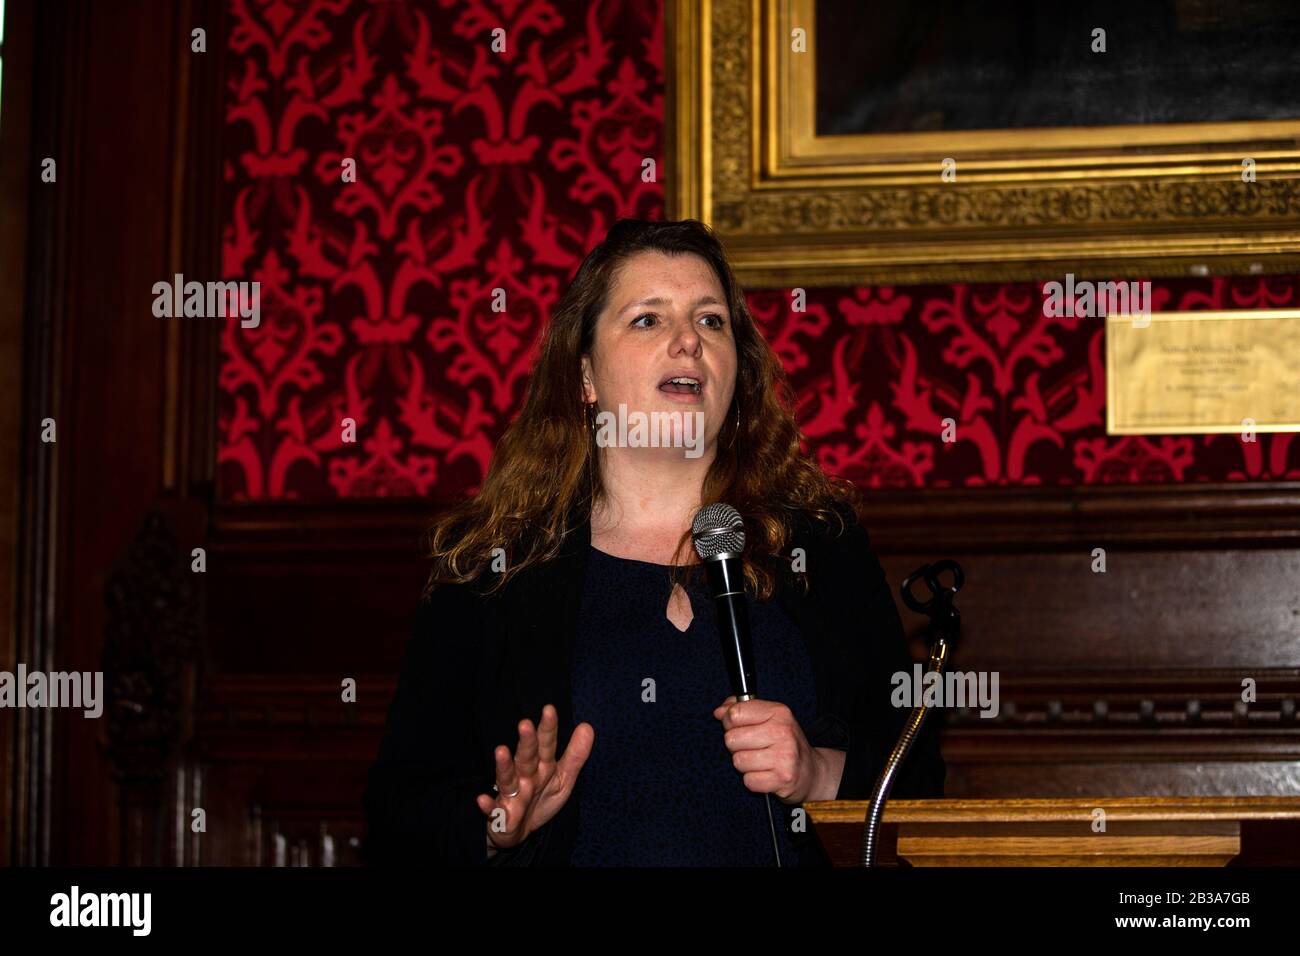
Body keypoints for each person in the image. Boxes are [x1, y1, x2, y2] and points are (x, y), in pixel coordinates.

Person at [362, 218, 944, 866]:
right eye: (648, 319)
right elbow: (397, 816)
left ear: (738, 373)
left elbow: (919, 785)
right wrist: (498, 829)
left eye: (711, 321)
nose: (688, 342)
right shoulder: (492, 570)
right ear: (584, 374)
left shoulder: (821, 547)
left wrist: (818, 774)